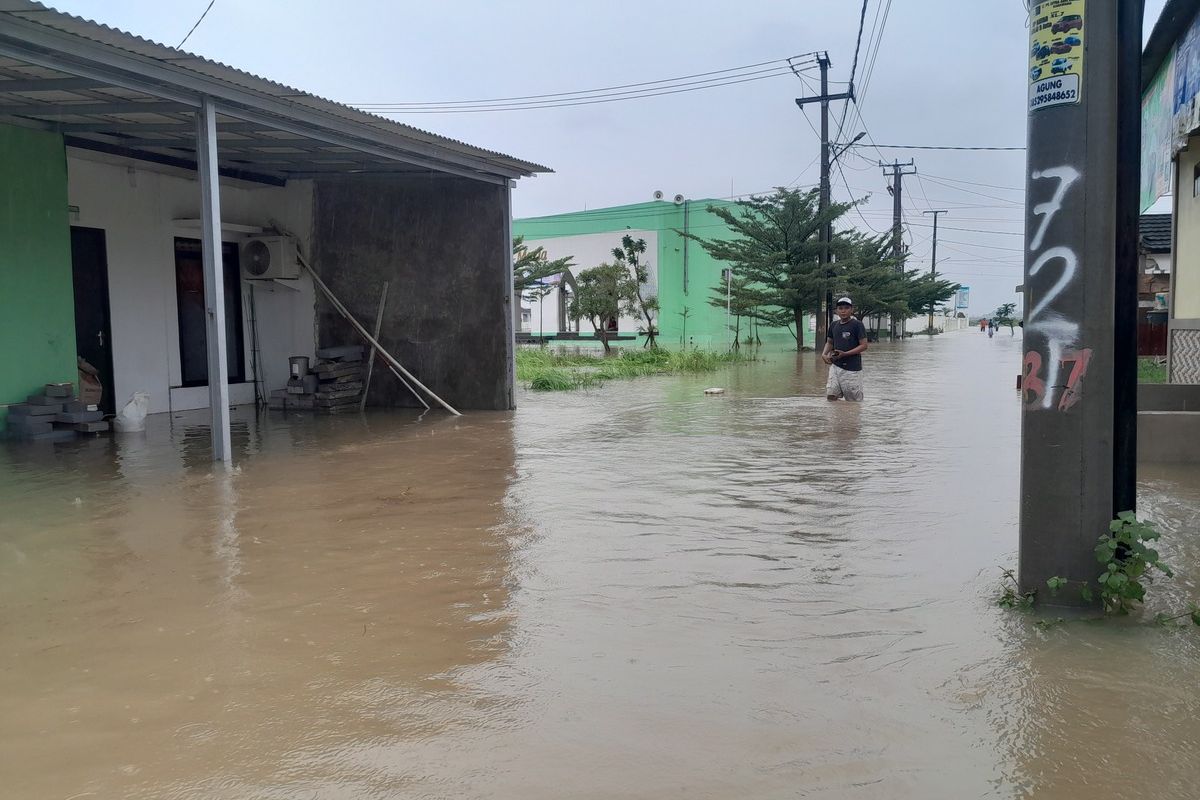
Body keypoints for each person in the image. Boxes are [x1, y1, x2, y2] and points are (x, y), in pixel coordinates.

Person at [822, 296, 868, 401]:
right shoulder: (833, 325)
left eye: (846, 308)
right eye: (840, 308)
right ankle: (835, 417)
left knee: (853, 402)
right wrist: (824, 354)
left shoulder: (857, 325)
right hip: (835, 366)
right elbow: (829, 342)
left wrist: (845, 354)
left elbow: (864, 345)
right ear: (836, 311)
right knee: (831, 396)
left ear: (852, 310)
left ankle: (851, 417)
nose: (843, 311)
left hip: (852, 369)